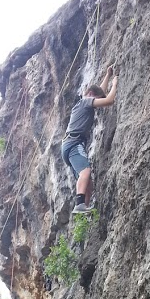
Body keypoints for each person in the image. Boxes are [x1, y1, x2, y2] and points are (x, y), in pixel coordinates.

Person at [61, 64, 118, 214]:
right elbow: (109, 100)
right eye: (97, 100)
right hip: (74, 143)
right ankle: (79, 205)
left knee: (88, 183)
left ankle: (83, 211)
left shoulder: (83, 102)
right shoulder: (86, 101)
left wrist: (108, 75)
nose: (97, 105)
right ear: (91, 95)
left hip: (68, 145)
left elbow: (100, 92)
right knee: (85, 171)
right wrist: (115, 83)